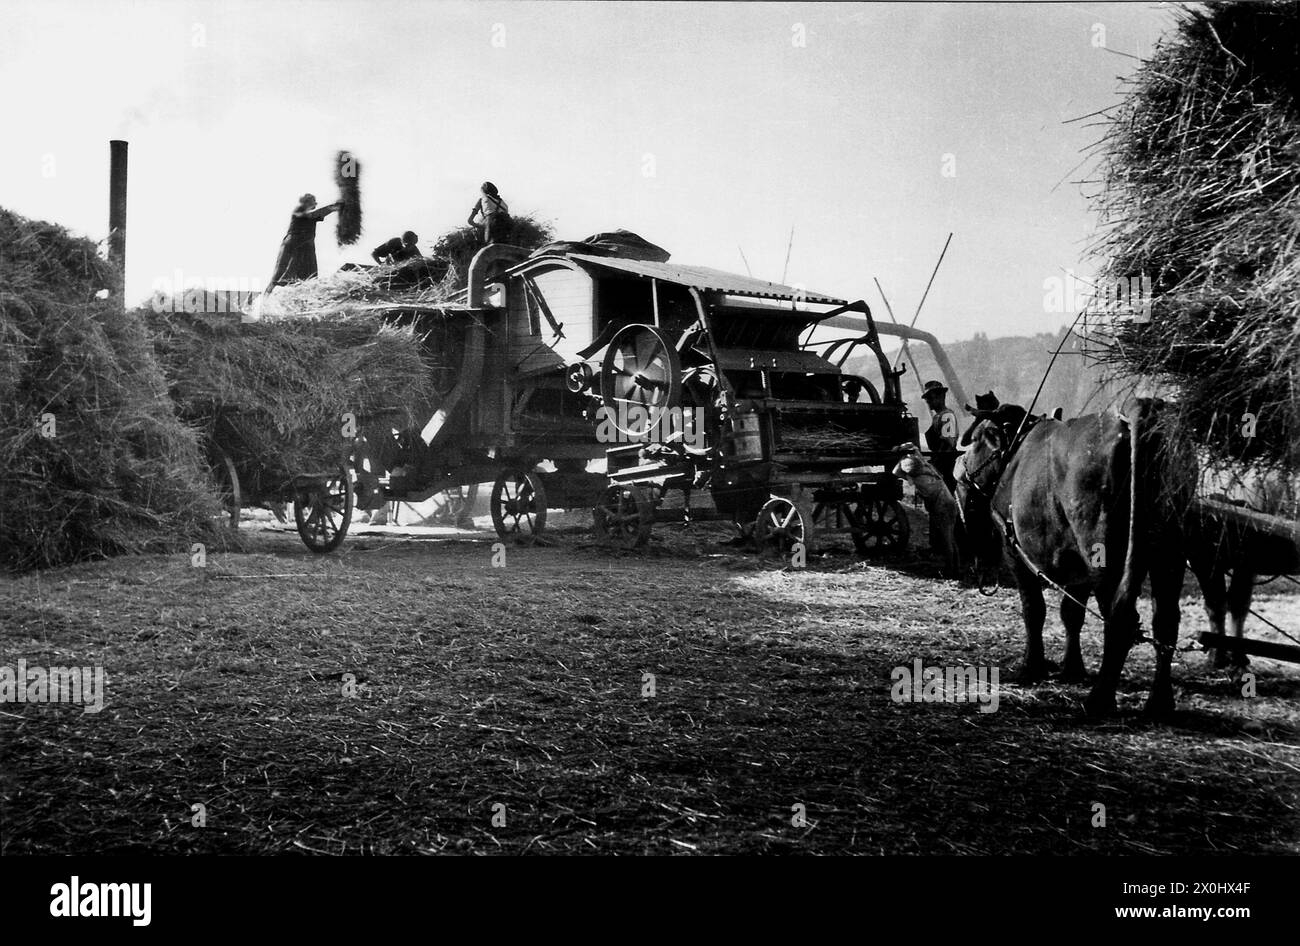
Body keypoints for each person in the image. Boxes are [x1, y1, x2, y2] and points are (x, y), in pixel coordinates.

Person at [265, 193, 342, 295]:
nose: (316, 203)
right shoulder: (299, 210)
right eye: (314, 201)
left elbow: (319, 214)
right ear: (306, 202)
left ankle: (306, 301)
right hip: (293, 246)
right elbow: (313, 215)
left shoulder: (311, 213)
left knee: (310, 278)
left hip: (307, 247)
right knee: (279, 275)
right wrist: (332, 208)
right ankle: (265, 298)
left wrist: (335, 207)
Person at [921, 379, 960, 493]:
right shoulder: (938, 417)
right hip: (940, 463)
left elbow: (950, 444)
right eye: (927, 398)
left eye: (931, 397)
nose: (928, 401)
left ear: (941, 397)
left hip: (946, 466)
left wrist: (938, 468)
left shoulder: (947, 416)